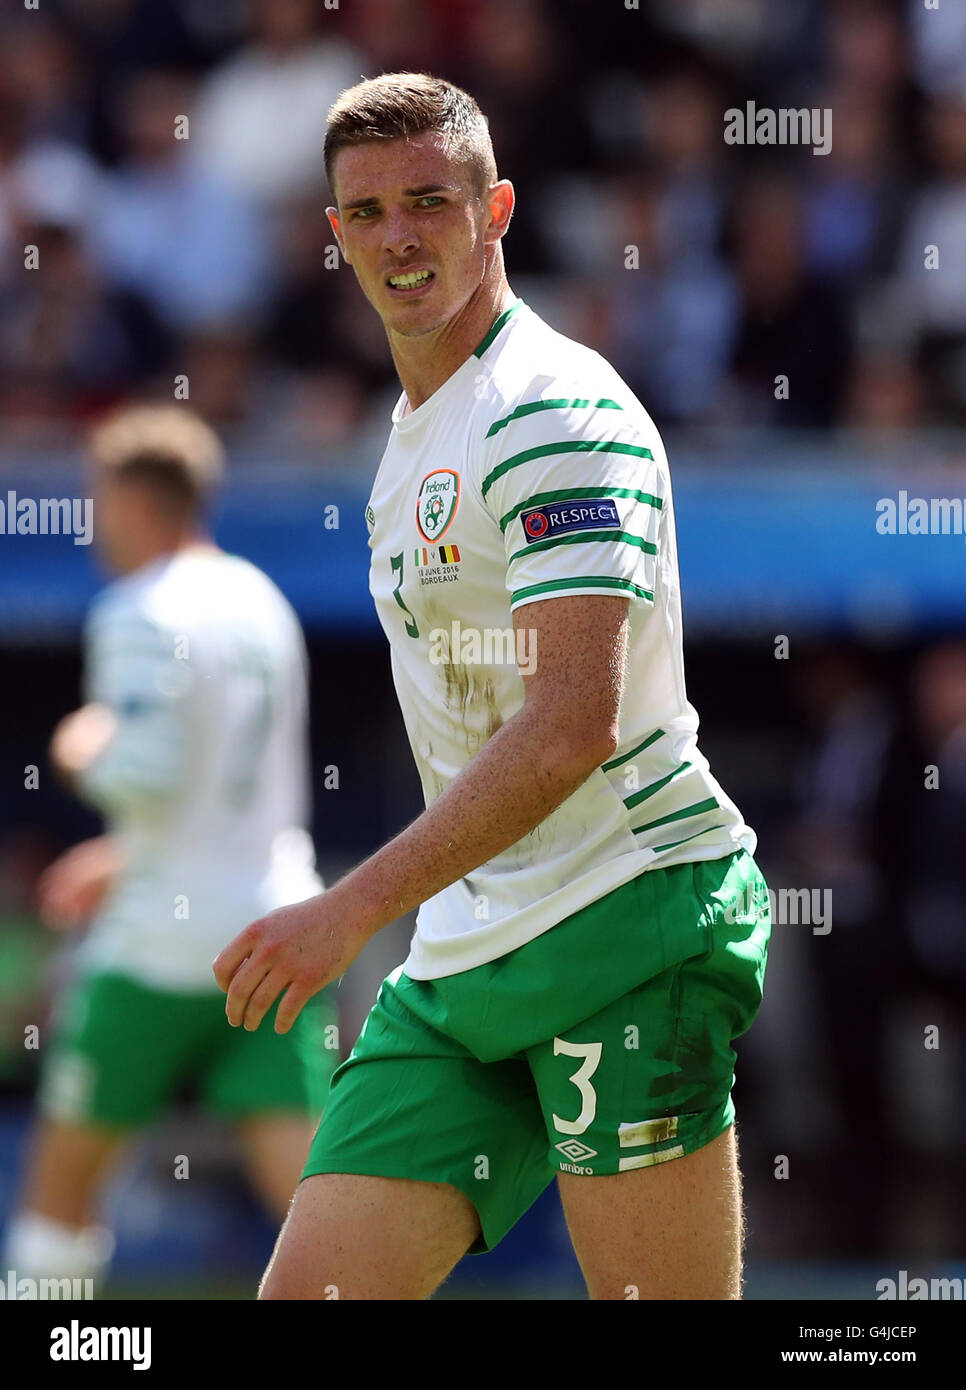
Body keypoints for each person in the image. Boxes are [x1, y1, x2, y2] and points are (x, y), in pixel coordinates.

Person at [214, 73, 771, 1301]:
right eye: (367, 212)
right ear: (335, 236)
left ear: (498, 209)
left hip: (627, 915)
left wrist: (347, 910)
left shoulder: (555, 412)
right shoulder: (412, 430)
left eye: (430, 201)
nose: (400, 235)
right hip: (471, 950)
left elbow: (571, 725)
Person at [3, 404, 337, 1291]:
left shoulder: (139, 608)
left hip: (157, 947)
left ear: (137, 500)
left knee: (60, 1189)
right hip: (270, 932)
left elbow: (147, 769)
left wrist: (80, 744)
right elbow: (227, 783)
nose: (94, 522)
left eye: (99, 500)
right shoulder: (263, 602)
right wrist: (122, 859)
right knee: (316, 1207)